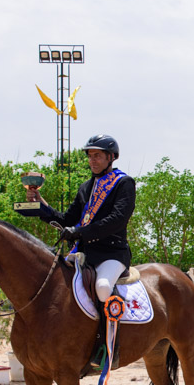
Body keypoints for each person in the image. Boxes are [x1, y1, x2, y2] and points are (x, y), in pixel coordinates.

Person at [26, 134, 136, 367]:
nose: (92, 160)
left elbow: (117, 219)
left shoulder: (124, 183)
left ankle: (107, 348)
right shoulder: (86, 187)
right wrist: (39, 204)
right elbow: (67, 219)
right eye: (90, 155)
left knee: (103, 288)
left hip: (112, 254)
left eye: (97, 155)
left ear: (111, 157)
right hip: (83, 252)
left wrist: (79, 232)